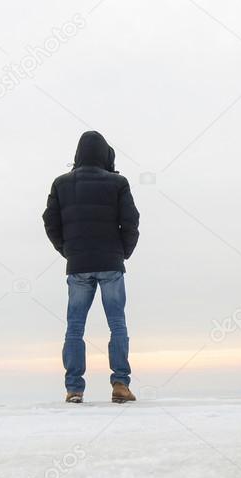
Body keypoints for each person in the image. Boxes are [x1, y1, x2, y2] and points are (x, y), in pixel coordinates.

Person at [43, 131, 140, 404]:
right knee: (117, 324)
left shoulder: (61, 184)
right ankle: (120, 384)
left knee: (75, 327)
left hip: (78, 265)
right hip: (111, 263)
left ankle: (74, 389)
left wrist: (68, 251)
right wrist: (123, 253)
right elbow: (131, 221)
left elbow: (50, 222)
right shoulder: (118, 183)